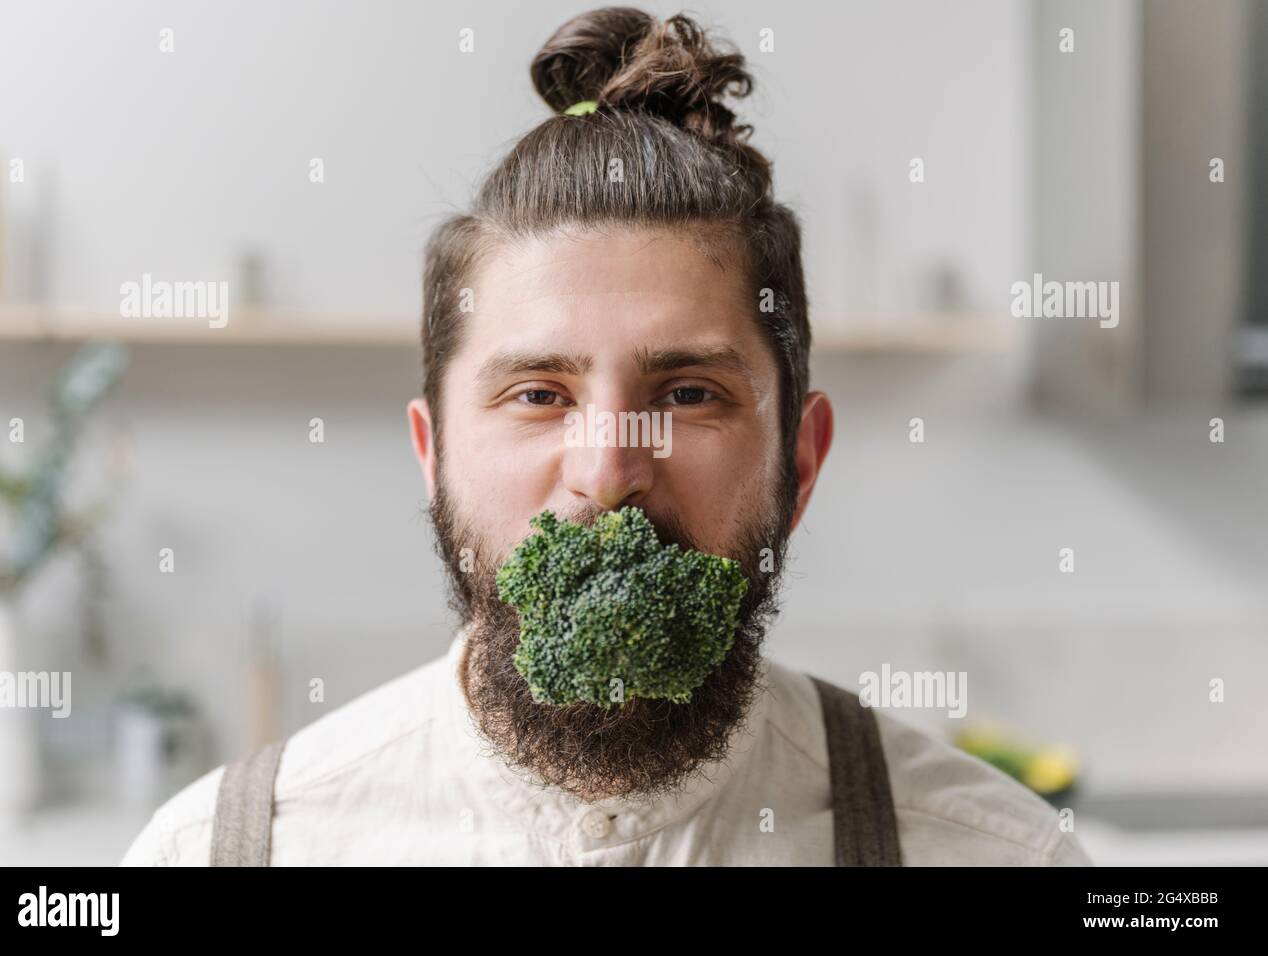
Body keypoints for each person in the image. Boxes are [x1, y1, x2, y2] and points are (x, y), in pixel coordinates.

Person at [121, 6, 1091, 866]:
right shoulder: (218, 852)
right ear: (433, 453)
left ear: (799, 460)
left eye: (687, 393)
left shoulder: (995, 853)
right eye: (539, 393)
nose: (607, 472)